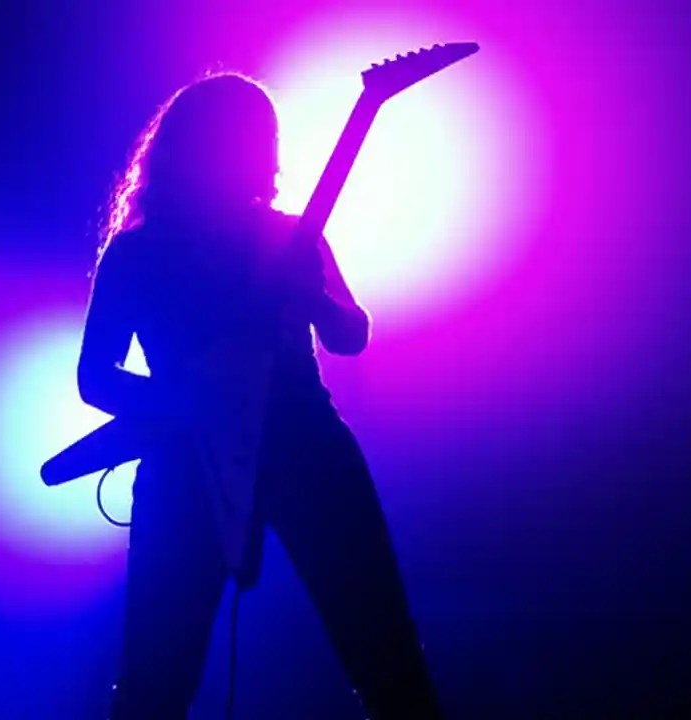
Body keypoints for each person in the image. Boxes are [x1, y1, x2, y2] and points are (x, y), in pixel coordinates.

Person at [77, 72, 440, 719]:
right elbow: (94, 378)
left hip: (306, 447)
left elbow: (350, 334)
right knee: (156, 677)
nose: (255, 150)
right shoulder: (137, 254)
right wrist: (191, 402)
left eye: (261, 137)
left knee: (384, 651)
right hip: (190, 466)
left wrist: (314, 300)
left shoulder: (289, 235)